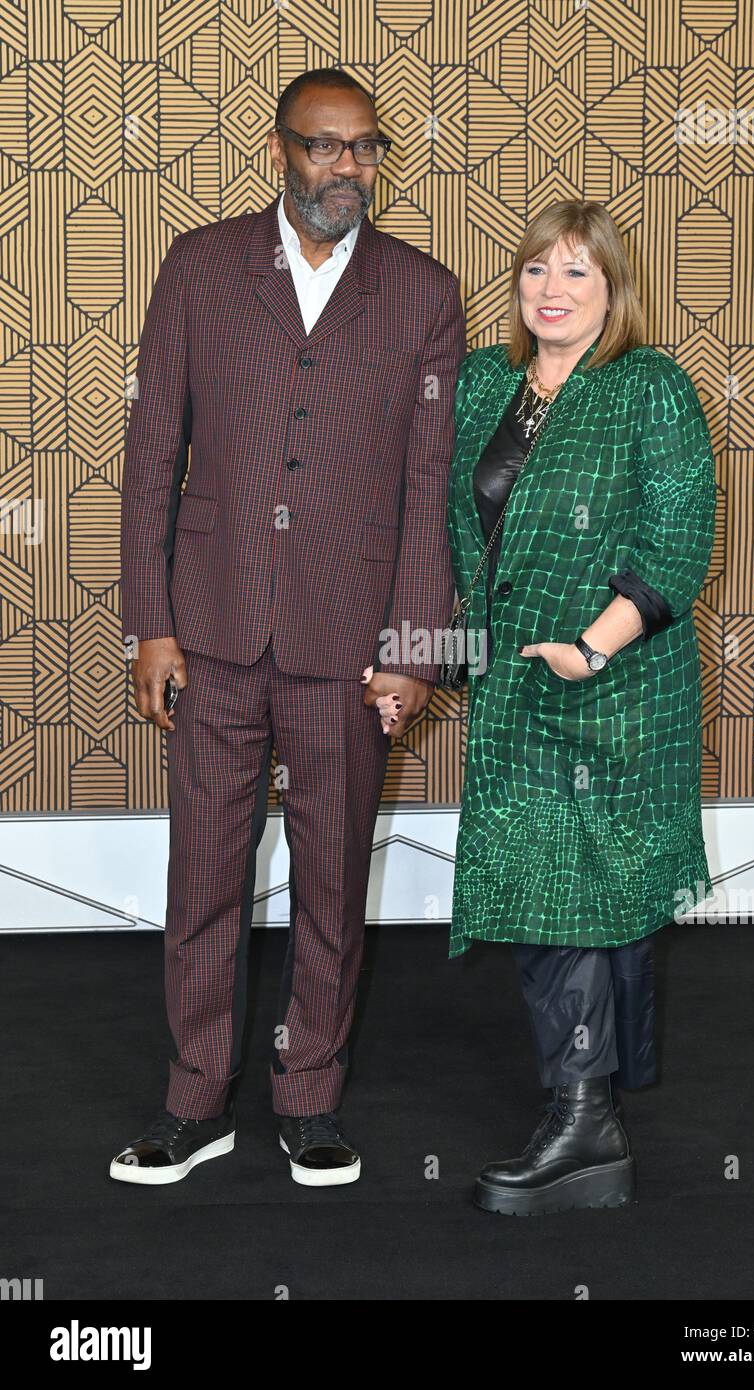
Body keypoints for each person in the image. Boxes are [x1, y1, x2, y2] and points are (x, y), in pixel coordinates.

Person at [113, 68, 465, 1186]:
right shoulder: (201, 267)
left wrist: (413, 649)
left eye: (364, 149)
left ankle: (308, 1097)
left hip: (348, 650)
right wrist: (151, 626)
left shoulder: (421, 293)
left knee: (329, 880)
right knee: (202, 879)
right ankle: (194, 1100)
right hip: (211, 635)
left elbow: (429, 491)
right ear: (279, 152)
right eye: (323, 147)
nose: (345, 169)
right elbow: (147, 461)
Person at [445, 199, 717, 1215]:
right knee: (551, 897)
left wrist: (590, 647)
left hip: (614, 690)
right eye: (533, 272)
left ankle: (582, 1120)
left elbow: (678, 536)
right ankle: (587, 1114)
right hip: (514, 690)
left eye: (574, 274)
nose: (549, 292)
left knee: (582, 899)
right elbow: (452, 535)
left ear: (611, 290)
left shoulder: (648, 388)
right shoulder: (483, 384)